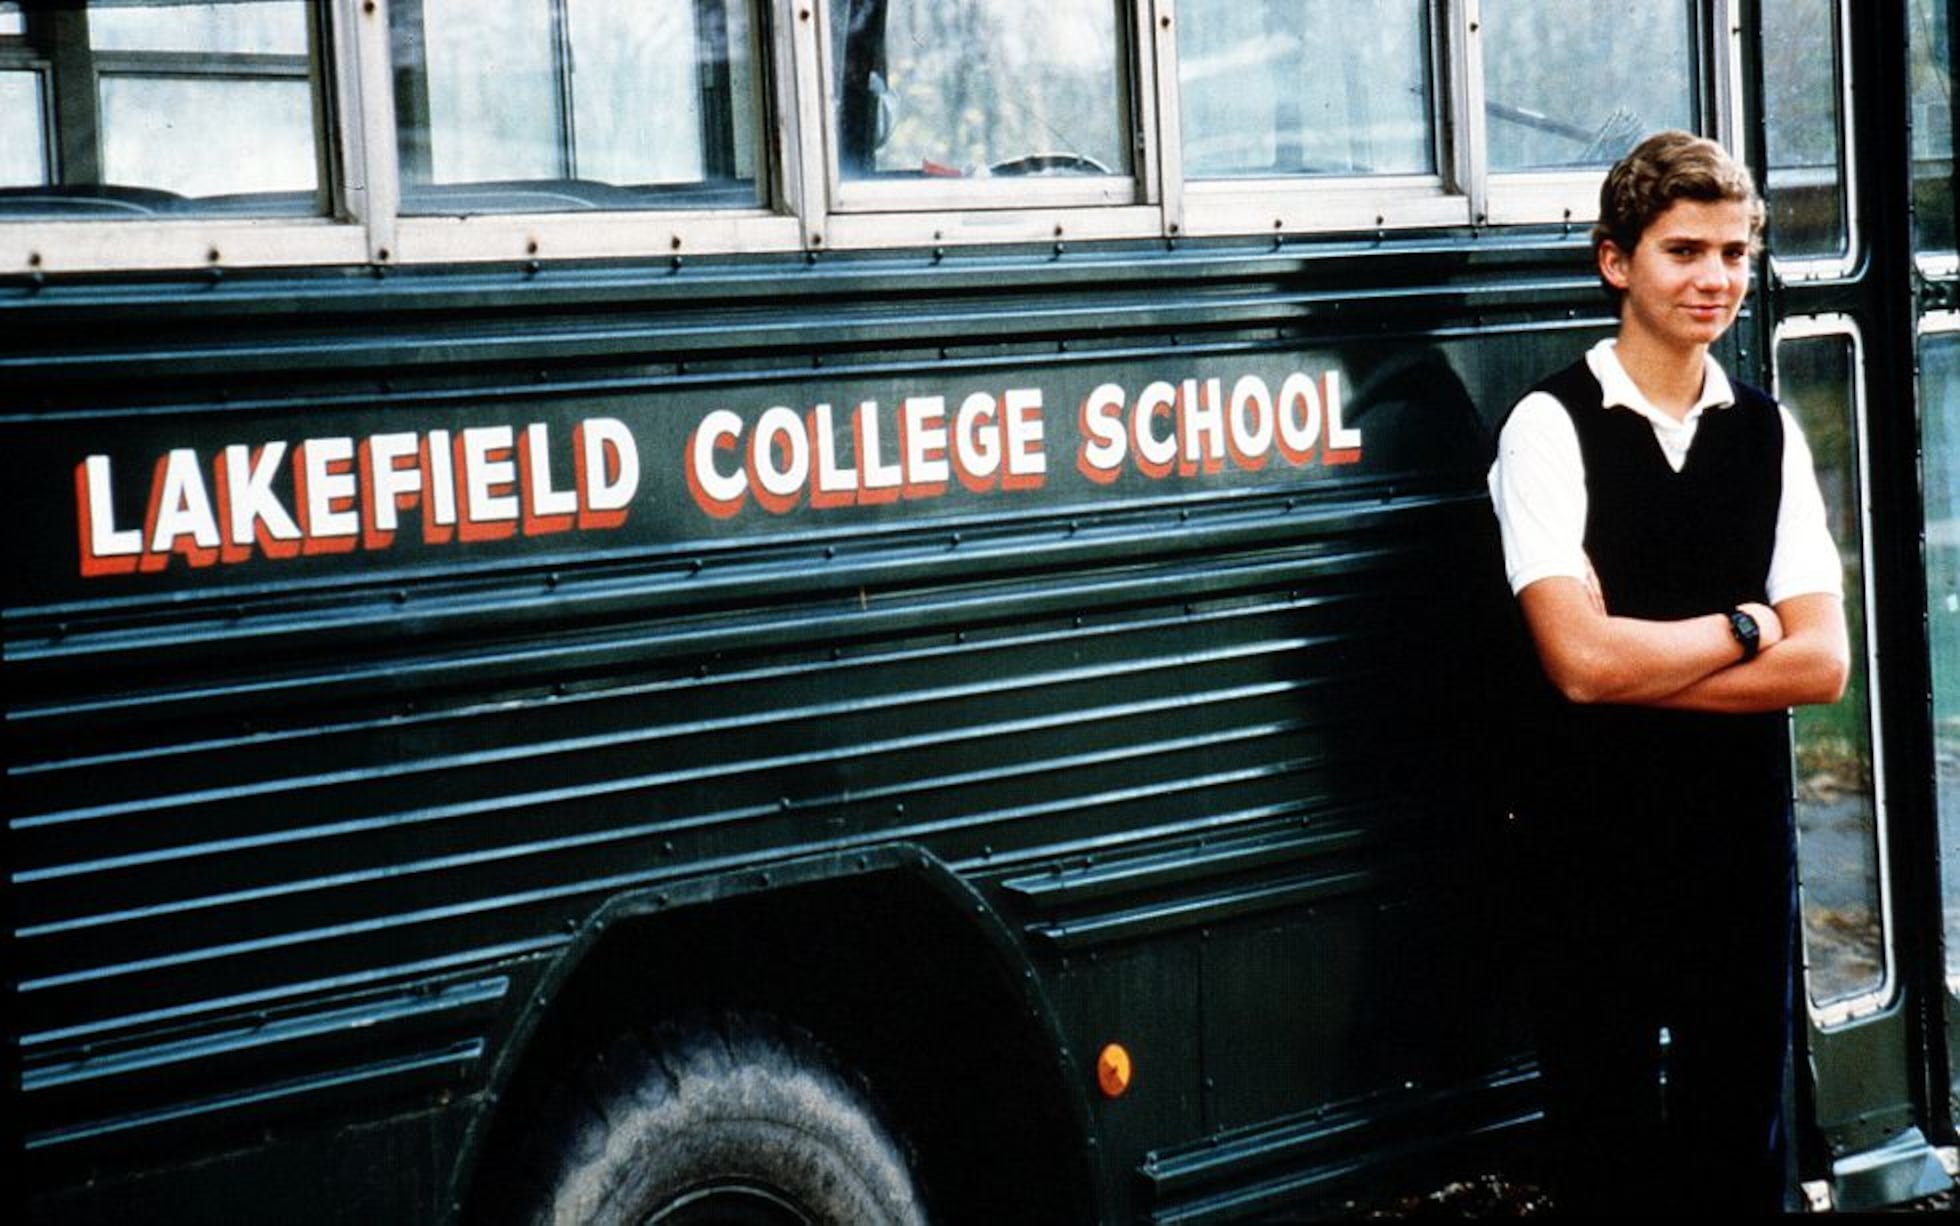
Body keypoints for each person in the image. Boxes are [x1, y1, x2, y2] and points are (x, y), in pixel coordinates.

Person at [1486, 130, 1850, 1214]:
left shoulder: (1766, 434)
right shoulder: (1547, 428)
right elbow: (1578, 662)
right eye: (1684, 250)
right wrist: (1747, 625)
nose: (1716, 280)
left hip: (1737, 844)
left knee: (1736, 1139)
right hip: (1588, 841)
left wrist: (1650, 648)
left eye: (1734, 254)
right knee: (1603, 1143)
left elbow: (1825, 661)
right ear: (1616, 262)